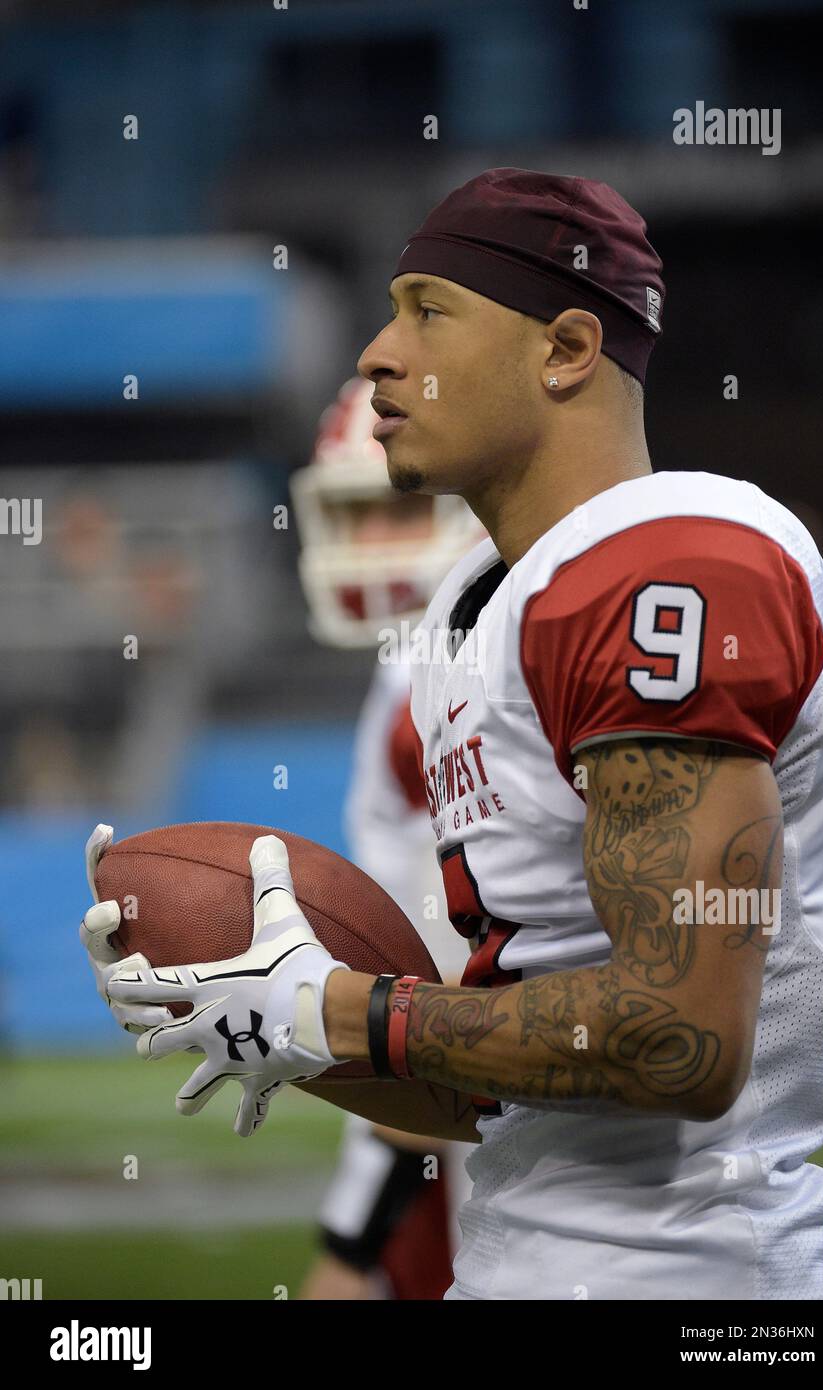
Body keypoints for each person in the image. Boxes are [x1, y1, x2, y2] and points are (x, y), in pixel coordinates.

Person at [85, 168, 823, 1301]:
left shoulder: (673, 564)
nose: (376, 354)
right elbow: (483, 1089)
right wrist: (252, 1007)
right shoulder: (477, 606)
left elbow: (680, 1037)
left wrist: (336, 1006)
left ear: (565, 348)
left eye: (428, 310)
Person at [289, 377, 474, 1299]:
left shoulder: (453, 686)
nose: (360, 548)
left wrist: (350, 1243)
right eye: (350, 515)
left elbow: (434, 1021)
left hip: (500, 1104)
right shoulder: (414, 664)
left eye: (385, 512)